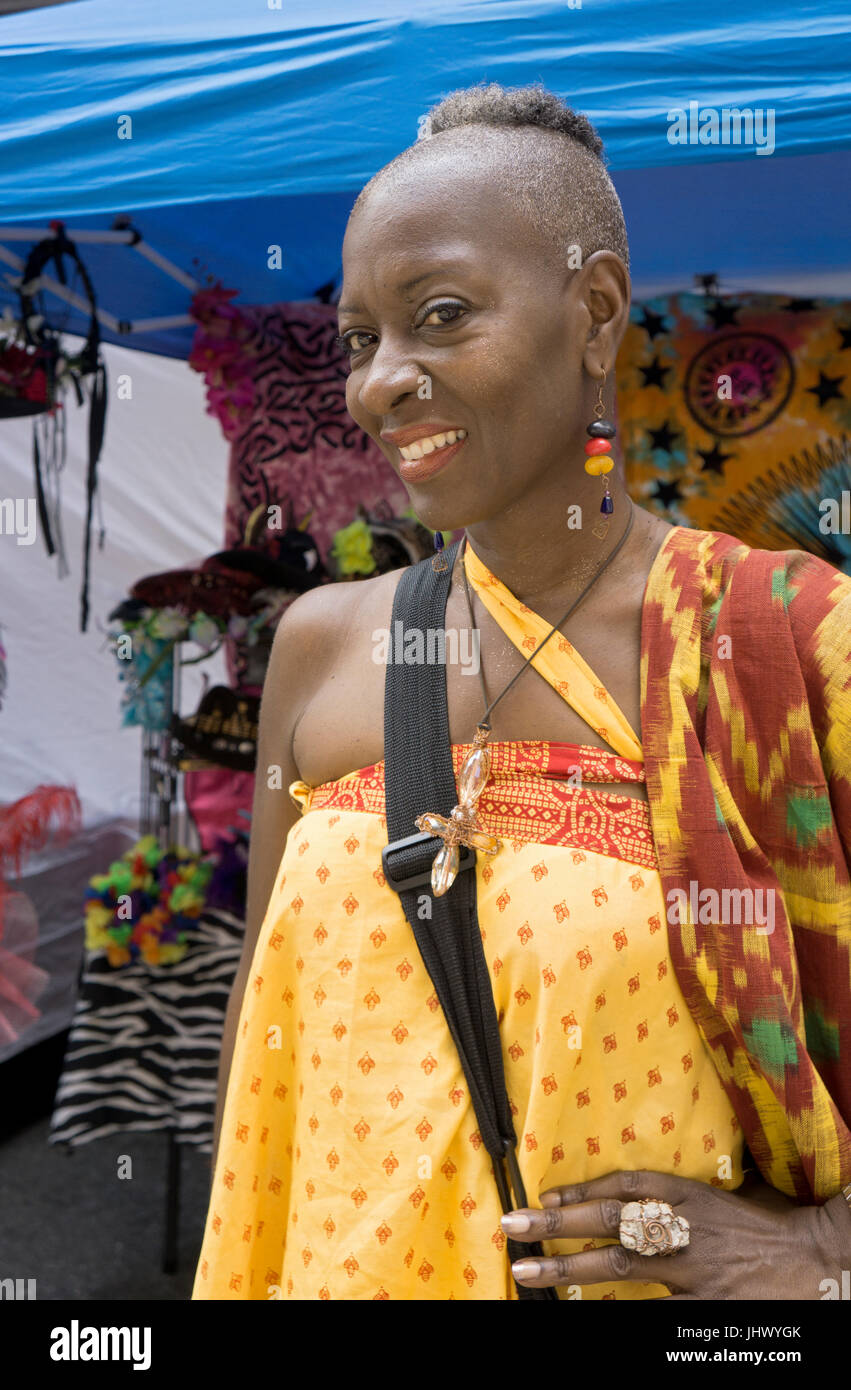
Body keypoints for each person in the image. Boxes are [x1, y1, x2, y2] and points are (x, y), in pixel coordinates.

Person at [193, 83, 851, 1301]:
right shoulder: (324, 648)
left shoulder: (779, 641)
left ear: (594, 311)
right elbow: (259, 1052)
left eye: (438, 316)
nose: (378, 382)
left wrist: (818, 1249)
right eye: (356, 339)